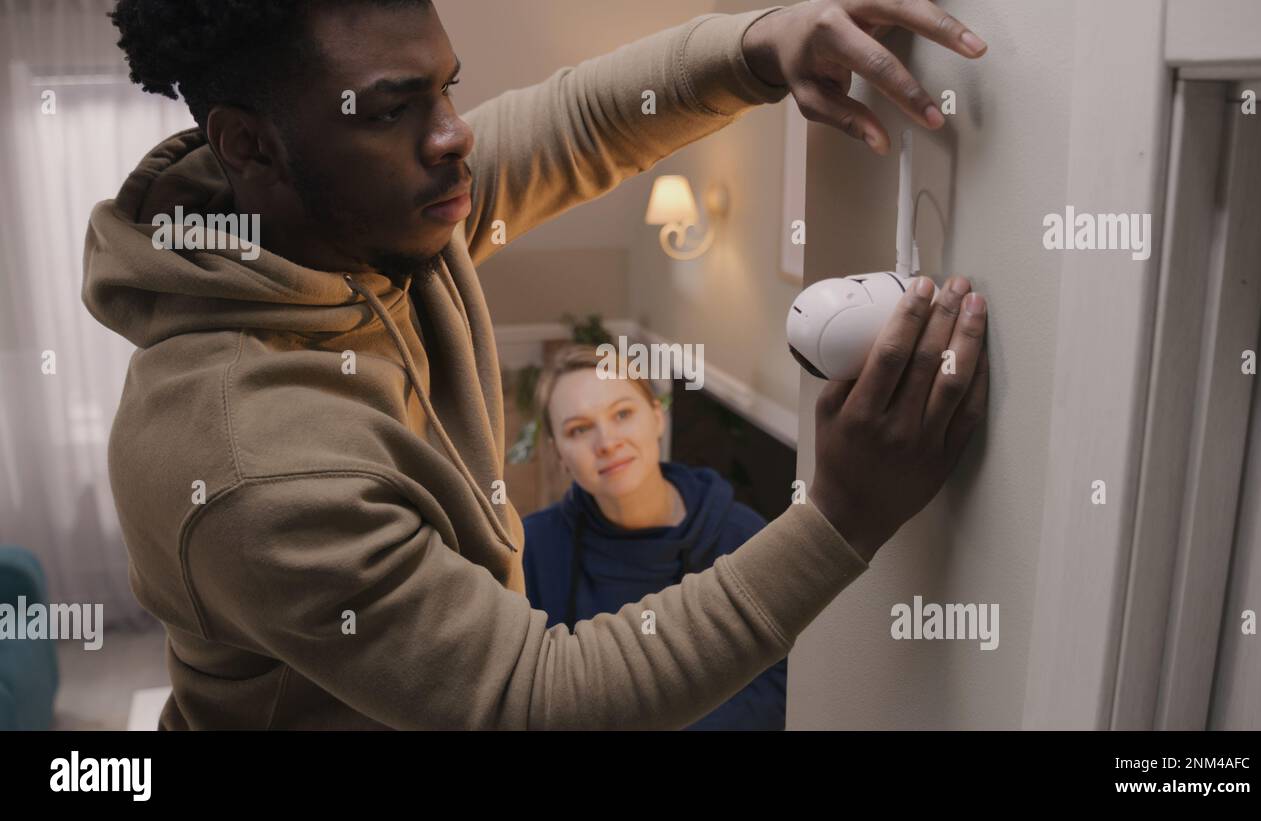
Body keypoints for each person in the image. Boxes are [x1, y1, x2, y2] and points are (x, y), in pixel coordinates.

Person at [82, 0, 990, 729]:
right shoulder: (251, 466)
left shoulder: (372, 214)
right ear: (247, 144)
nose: (454, 136)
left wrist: (759, 46)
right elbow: (537, 699)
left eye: (448, 88)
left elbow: (577, 122)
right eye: (394, 107)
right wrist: (840, 516)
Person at [523, 344, 786, 730]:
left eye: (623, 414)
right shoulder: (532, 547)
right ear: (558, 454)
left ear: (657, 418)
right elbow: (530, 693)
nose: (607, 442)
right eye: (579, 429)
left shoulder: (744, 537)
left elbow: (777, 687)